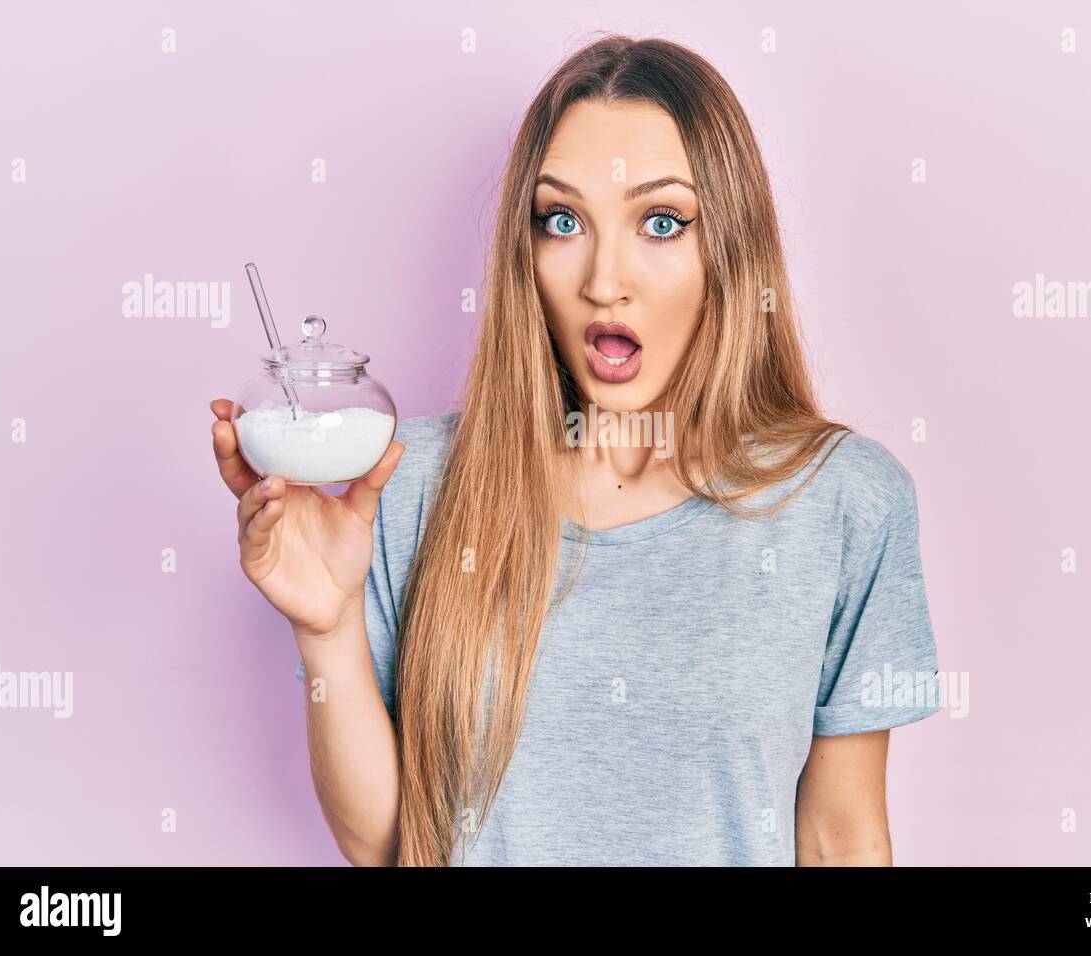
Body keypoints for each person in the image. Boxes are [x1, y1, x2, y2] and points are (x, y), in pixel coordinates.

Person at [209, 34, 942, 867]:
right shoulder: (405, 485)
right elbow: (386, 845)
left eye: (661, 223)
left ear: (731, 250)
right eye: (562, 221)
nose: (603, 280)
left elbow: (842, 841)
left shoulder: (846, 502)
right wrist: (328, 628)